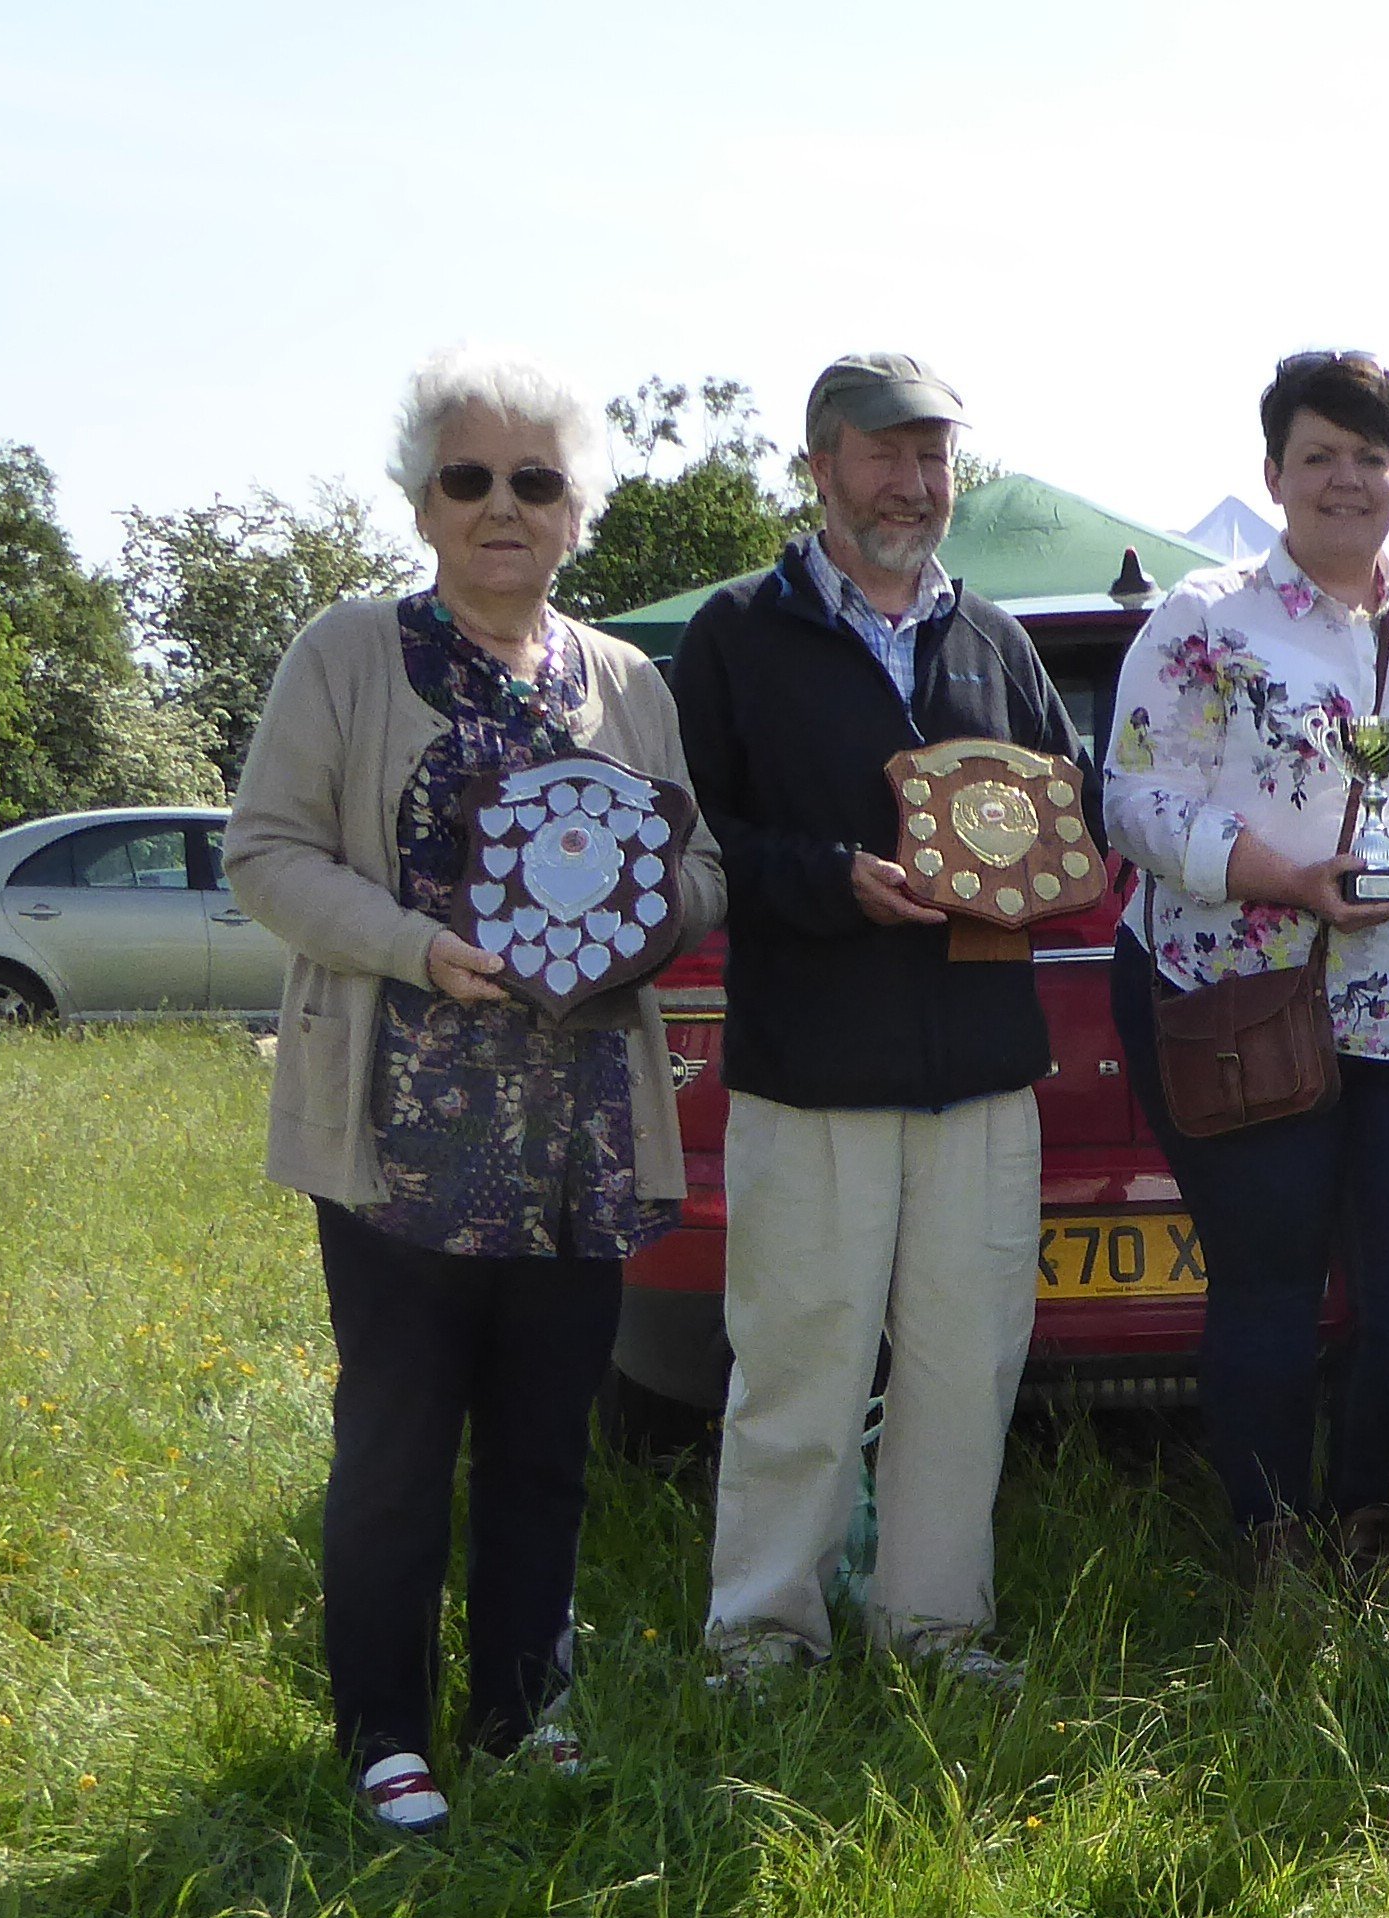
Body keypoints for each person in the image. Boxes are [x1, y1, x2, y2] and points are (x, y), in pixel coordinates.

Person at [224, 347, 725, 1838]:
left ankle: (523, 1704)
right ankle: (386, 1729)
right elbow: (266, 852)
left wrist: (658, 918)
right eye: (470, 479)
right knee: (394, 1440)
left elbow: (692, 862)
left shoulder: (626, 679)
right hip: (401, 1130)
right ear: (423, 503)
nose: (502, 507)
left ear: (580, 512)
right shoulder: (347, 655)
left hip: (578, 1131)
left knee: (540, 1438)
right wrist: (417, 948)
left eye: (536, 481)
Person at [1102, 350, 1389, 1584]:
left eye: (1369, 456)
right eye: (1319, 456)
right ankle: (1268, 1541)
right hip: (1241, 997)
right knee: (1269, 1289)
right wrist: (1282, 879)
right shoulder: (1203, 620)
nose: (1346, 479)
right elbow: (1132, 797)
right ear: (1273, 473)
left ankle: (1367, 1515)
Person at [671, 353, 1080, 1684]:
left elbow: (1050, 814)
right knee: (798, 1376)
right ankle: (762, 1636)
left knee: (967, 1377)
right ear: (821, 466)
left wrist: (1052, 869)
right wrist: (830, 881)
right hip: (812, 1081)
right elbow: (694, 838)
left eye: (934, 458)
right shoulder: (738, 634)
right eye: (886, 455)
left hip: (979, 1079)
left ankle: (935, 1630)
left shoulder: (995, 640)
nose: (914, 483)